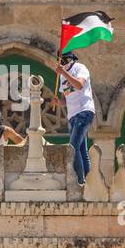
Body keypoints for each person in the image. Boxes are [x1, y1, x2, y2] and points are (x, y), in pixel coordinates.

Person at [54, 51, 95, 185]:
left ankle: (80, 181)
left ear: (70, 60)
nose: (62, 63)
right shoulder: (61, 77)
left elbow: (79, 85)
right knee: (82, 149)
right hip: (72, 115)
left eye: (64, 60)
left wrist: (64, 73)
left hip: (84, 112)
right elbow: (65, 98)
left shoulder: (80, 68)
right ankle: (89, 180)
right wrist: (58, 102)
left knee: (73, 146)